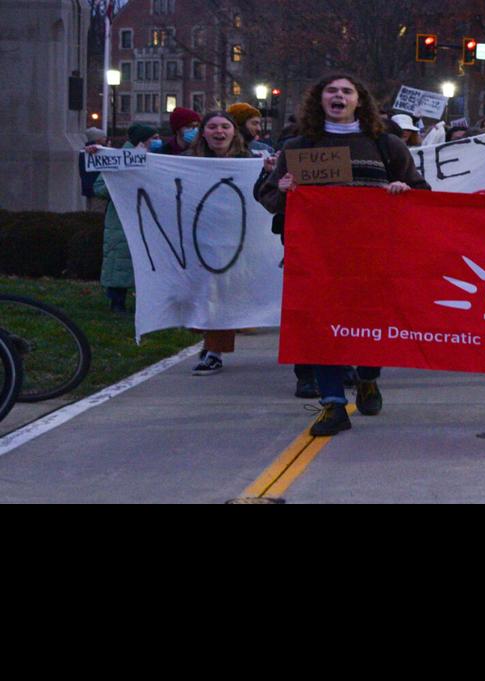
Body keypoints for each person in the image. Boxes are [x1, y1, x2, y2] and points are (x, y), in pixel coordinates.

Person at [257, 72, 430, 436]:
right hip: (316, 257)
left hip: (373, 254)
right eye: (331, 91)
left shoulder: (386, 145)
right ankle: (333, 405)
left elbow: (421, 193)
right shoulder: (299, 146)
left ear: (359, 100)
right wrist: (284, 190)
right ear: (319, 100)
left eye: (347, 91)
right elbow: (270, 198)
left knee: (370, 326)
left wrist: (403, 189)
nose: (339, 96)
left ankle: (367, 377)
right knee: (320, 330)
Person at [183, 111, 277, 376]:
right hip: (203, 238)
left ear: (234, 131)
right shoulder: (187, 162)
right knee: (210, 293)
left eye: (225, 126)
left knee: (228, 292)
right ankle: (212, 347)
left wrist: (270, 169)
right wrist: (102, 155)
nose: (219, 132)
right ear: (203, 132)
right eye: (212, 127)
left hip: (242, 238)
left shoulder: (250, 161)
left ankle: (214, 350)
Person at [88, 123, 160, 314]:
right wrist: (124, 182)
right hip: (120, 219)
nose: (158, 142)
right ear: (142, 141)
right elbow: (100, 188)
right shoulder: (117, 159)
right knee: (119, 260)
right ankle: (117, 302)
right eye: (153, 139)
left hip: (146, 217)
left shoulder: (156, 159)